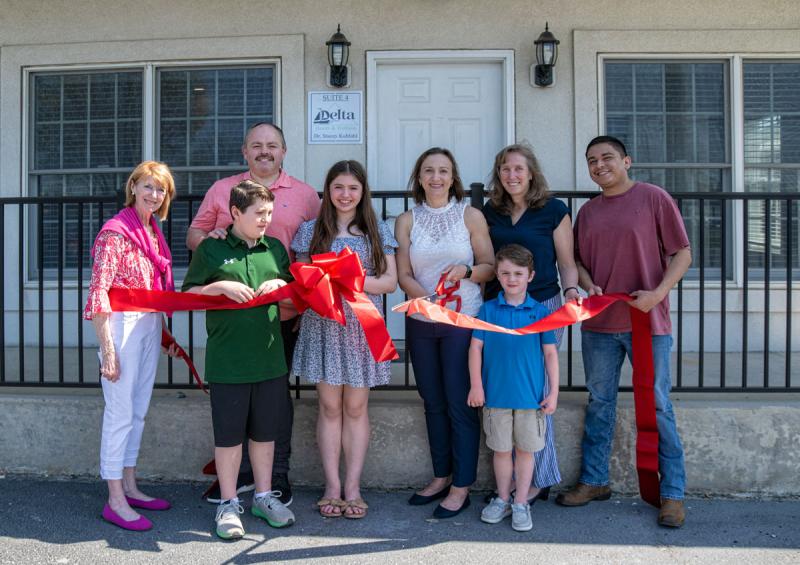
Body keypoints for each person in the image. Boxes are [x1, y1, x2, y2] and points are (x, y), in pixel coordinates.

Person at [555, 135, 692, 529]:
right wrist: (587, 284)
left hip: (647, 321)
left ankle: (673, 494)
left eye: (607, 158)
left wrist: (658, 293)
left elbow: (683, 253)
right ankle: (595, 481)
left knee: (659, 406)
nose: (600, 165)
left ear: (626, 161)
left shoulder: (653, 198)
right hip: (600, 326)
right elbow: (578, 261)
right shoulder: (589, 212)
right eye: (592, 160)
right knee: (600, 403)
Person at [187, 122, 321, 505]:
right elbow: (194, 236)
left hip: (283, 313)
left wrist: (294, 294)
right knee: (237, 399)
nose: (265, 151)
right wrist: (210, 239)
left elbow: (315, 246)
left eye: (273, 145)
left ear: (284, 151)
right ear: (245, 151)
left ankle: (275, 478)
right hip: (232, 320)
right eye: (257, 145)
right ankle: (240, 478)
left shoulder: (307, 195)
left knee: (274, 398)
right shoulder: (221, 190)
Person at [182, 180, 295, 540]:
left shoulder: (275, 249)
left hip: (269, 358)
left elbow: (296, 296)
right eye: (259, 214)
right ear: (234, 212)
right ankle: (228, 504)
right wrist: (219, 287)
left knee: (265, 434)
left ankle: (263, 497)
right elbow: (188, 295)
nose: (266, 220)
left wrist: (281, 288)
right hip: (228, 360)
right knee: (229, 437)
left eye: (270, 213)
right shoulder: (211, 250)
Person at [291, 160, 398, 519]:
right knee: (329, 407)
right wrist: (325, 281)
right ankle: (332, 487)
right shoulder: (310, 232)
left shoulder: (378, 231)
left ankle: (353, 487)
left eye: (353, 188)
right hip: (324, 326)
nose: (345, 194)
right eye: (338, 187)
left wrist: (347, 278)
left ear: (363, 191)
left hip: (362, 329)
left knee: (356, 408)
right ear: (328, 190)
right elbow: (303, 282)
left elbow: (388, 283)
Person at [395, 147, 495, 519]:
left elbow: (489, 265)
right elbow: (404, 274)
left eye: (443, 171)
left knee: (458, 402)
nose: (436, 177)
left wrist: (465, 273)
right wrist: (426, 299)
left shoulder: (470, 215)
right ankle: (440, 476)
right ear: (419, 177)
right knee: (432, 401)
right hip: (422, 320)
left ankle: (461, 485)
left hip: (462, 321)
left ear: (453, 177)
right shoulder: (406, 220)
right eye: (428, 171)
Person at [84, 161, 180, 531]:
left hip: (148, 323)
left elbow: (154, 292)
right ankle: (115, 499)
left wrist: (164, 334)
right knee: (120, 413)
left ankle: (130, 483)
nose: (154, 195)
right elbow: (99, 292)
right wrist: (108, 350)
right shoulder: (115, 232)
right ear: (134, 186)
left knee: (138, 411)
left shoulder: (152, 231)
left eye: (161, 190)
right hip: (121, 326)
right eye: (149, 187)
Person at [482, 144, 580, 505]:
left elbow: (567, 262)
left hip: (544, 307)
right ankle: (510, 480)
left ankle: (542, 476)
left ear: (532, 172)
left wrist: (571, 290)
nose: (512, 175)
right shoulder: (489, 211)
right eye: (505, 169)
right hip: (501, 311)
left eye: (519, 168)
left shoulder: (554, 211)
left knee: (538, 392)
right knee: (507, 388)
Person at [467, 244, 559, 532]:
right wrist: (476, 386)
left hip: (530, 400)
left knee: (526, 452)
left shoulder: (541, 311)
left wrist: (554, 392)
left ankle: (521, 502)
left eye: (519, 273)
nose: (512, 279)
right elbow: (475, 348)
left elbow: (551, 354)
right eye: (505, 273)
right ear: (497, 274)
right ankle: (502, 498)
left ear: (530, 276)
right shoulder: (488, 309)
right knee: (502, 451)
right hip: (496, 397)